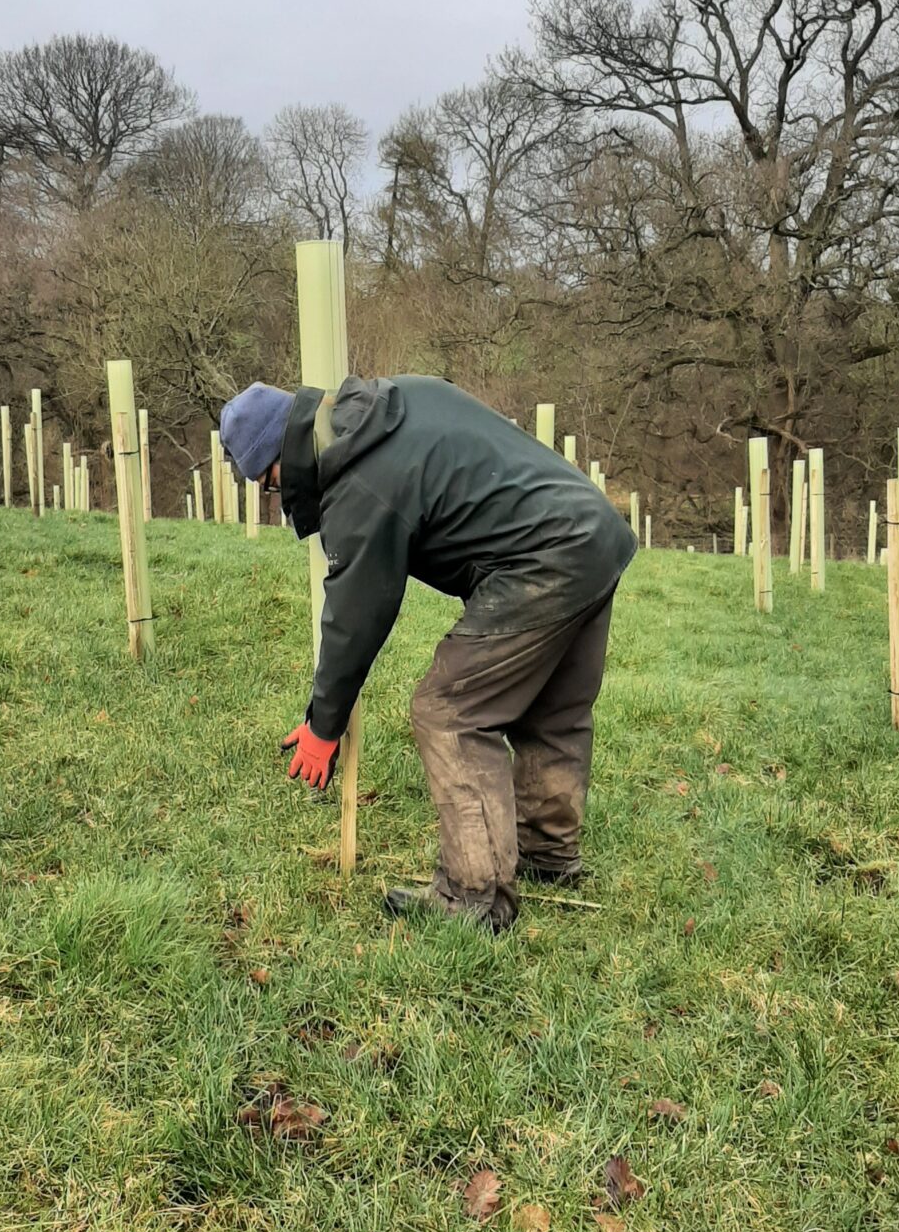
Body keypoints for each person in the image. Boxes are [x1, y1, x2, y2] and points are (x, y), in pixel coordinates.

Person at [219, 376, 637, 929]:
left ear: (279, 461)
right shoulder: (386, 406)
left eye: (267, 483)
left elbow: (356, 615)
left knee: (450, 711)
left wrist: (323, 729)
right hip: (592, 529)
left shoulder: (358, 480)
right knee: (553, 708)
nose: (274, 495)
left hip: (543, 561)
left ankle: (475, 895)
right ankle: (549, 853)